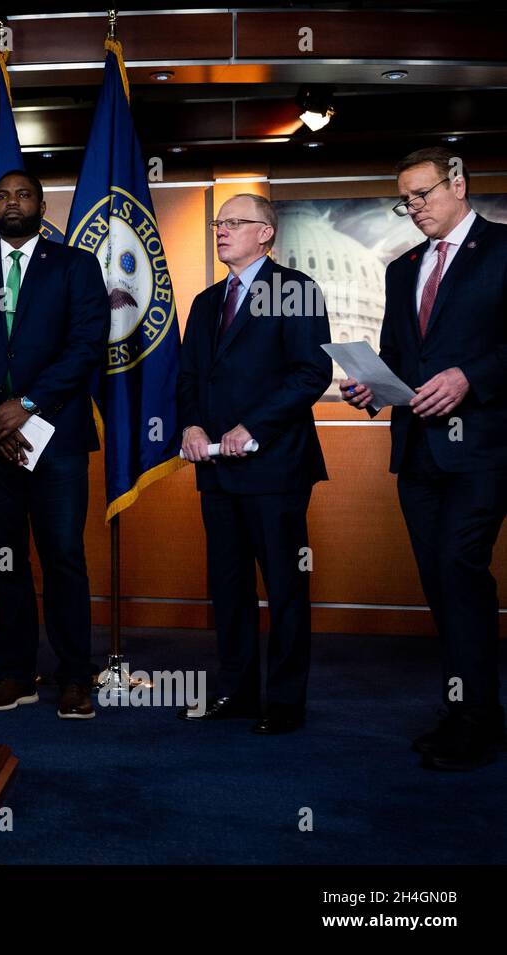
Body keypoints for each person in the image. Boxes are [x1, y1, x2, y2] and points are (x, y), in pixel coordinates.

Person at [340, 147, 507, 770]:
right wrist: (373, 387)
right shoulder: (402, 266)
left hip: (484, 450)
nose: (413, 209)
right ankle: (472, 704)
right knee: (439, 581)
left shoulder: (502, 249)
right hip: (417, 453)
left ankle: (473, 719)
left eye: (423, 195)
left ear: (459, 183)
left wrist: (471, 376)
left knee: (460, 568)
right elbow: (399, 356)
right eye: (404, 200)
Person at [0, 169, 109, 719]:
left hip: (56, 438)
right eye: (3, 196)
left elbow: (86, 346)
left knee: (63, 557)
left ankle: (75, 677)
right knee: (3, 560)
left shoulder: (76, 267)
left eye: (23, 195)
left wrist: (26, 406)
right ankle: (15, 673)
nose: (12, 203)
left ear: (40, 203)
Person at [176, 193, 331, 734]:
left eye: (234, 223)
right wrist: (192, 426)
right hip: (216, 468)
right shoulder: (206, 301)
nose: (221, 230)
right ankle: (237, 691)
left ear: (265, 233)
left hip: (276, 468)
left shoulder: (295, 290)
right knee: (230, 585)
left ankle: (285, 702)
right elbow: (189, 379)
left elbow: (310, 373)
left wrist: (254, 428)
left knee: (285, 586)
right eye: (219, 223)